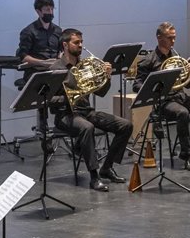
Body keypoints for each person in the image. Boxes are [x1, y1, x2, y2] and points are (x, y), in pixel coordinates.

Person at [133, 22, 190, 172]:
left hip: (181, 97)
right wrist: (154, 85)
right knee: (183, 113)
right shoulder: (149, 60)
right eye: (170, 38)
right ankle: (187, 155)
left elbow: (187, 85)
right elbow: (136, 85)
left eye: (174, 38)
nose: (173, 41)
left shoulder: (177, 56)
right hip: (164, 102)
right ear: (159, 37)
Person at [50, 28, 132, 190]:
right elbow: (49, 100)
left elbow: (101, 92)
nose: (80, 45)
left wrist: (107, 77)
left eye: (81, 42)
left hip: (86, 112)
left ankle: (106, 168)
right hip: (65, 115)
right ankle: (94, 177)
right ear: (65, 45)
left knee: (125, 125)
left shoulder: (84, 66)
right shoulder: (56, 68)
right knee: (87, 127)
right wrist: (69, 97)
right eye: (76, 42)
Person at [17, 0, 64, 74]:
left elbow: (61, 50)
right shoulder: (28, 31)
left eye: (52, 9)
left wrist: (60, 57)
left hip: (55, 70)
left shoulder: (58, 30)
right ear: (38, 11)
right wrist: (41, 63)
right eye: (47, 10)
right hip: (36, 71)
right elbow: (23, 56)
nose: (51, 12)